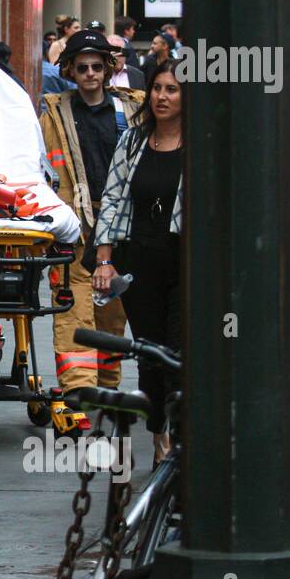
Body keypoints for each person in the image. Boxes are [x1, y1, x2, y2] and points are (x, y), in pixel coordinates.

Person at [40, 29, 143, 395]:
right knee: (72, 313)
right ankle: (78, 393)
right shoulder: (53, 114)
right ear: (70, 69)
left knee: (112, 317)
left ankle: (109, 388)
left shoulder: (131, 109)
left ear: (108, 69)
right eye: (81, 67)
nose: (89, 74)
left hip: (119, 228)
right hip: (74, 230)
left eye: (97, 66)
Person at [92, 62, 184, 465]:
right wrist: (104, 260)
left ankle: (183, 432)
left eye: (173, 90)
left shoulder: (201, 143)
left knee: (180, 350)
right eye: (157, 88)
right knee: (149, 350)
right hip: (140, 260)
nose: (162, 96)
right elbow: (111, 200)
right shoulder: (132, 141)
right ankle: (160, 435)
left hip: (185, 262)